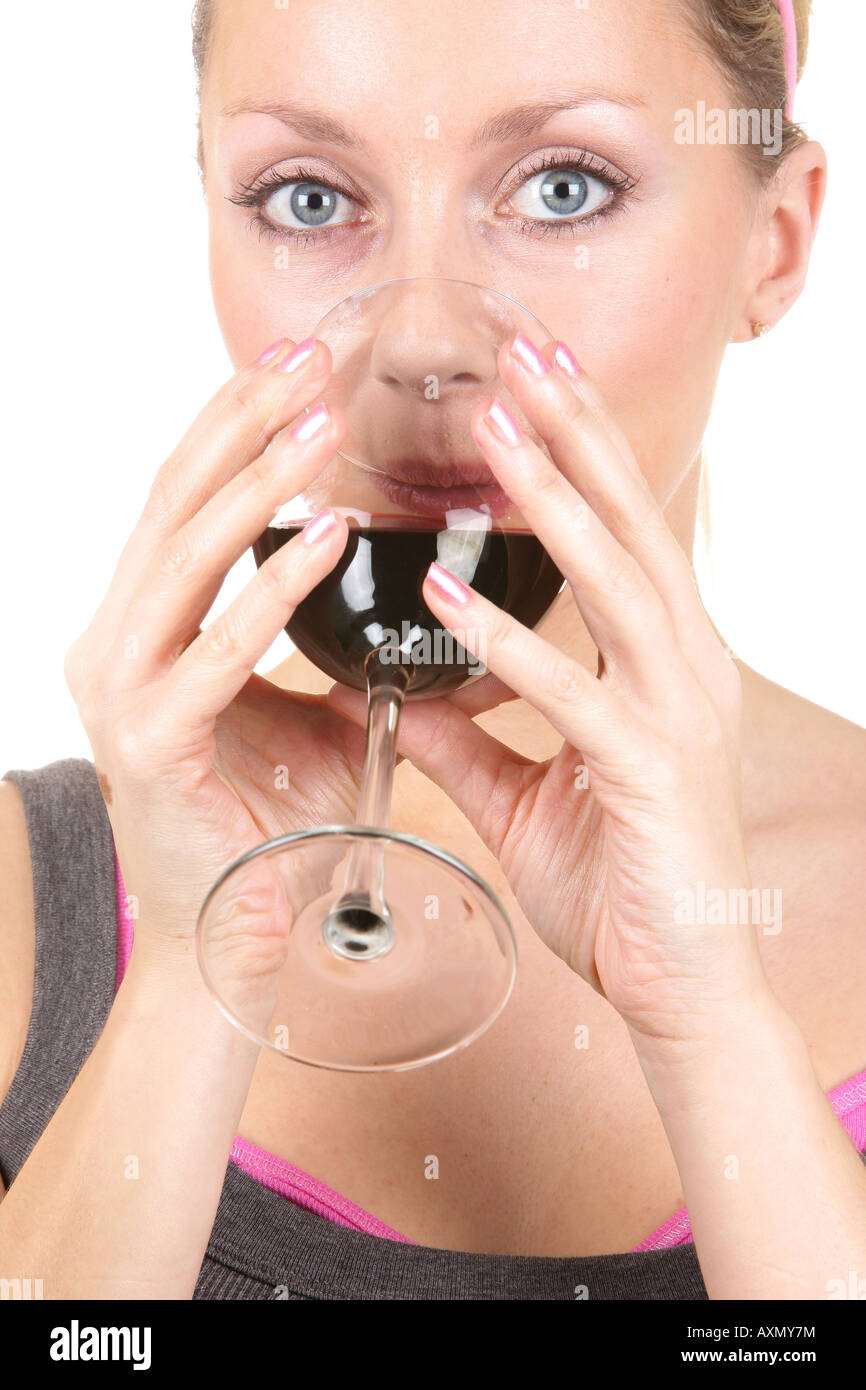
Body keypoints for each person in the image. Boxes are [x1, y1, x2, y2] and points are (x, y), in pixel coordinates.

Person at [1, 0, 864, 1301]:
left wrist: (713, 1028)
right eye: (305, 198)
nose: (418, 348)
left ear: (776, 240)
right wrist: (189, 979)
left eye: (562, 188)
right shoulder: (28, 914)